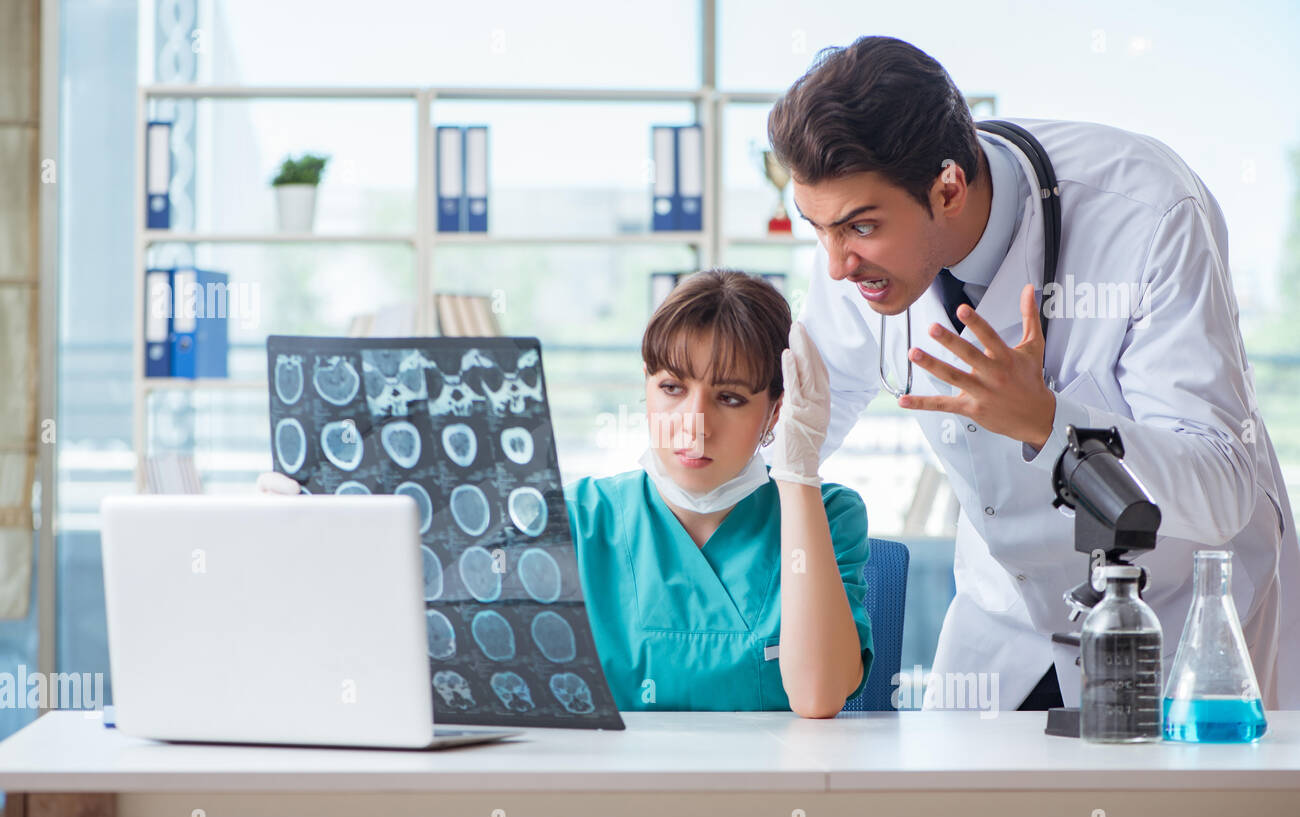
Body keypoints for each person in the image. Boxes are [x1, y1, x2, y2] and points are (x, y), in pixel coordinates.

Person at [765, 35, 1300, 711]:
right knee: (954, 815)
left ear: (949, 186)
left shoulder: (1149, 213)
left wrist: (1051, 424)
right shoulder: (853, 246)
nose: (837, 265)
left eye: (858, 229)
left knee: (1158, 814)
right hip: (1005, 618)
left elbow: (1224, 487)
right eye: (819, 230)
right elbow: (800, 427)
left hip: (1174, 616)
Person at [260, 269, 874, 717]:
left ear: (777, 410)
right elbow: (431, 636)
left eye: (731, 398)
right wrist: (322, 539)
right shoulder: (574, 519)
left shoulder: (825, 516)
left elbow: (818, 696)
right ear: (644, 388)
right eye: (670, 388)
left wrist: (798, 473)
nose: (693, 424)